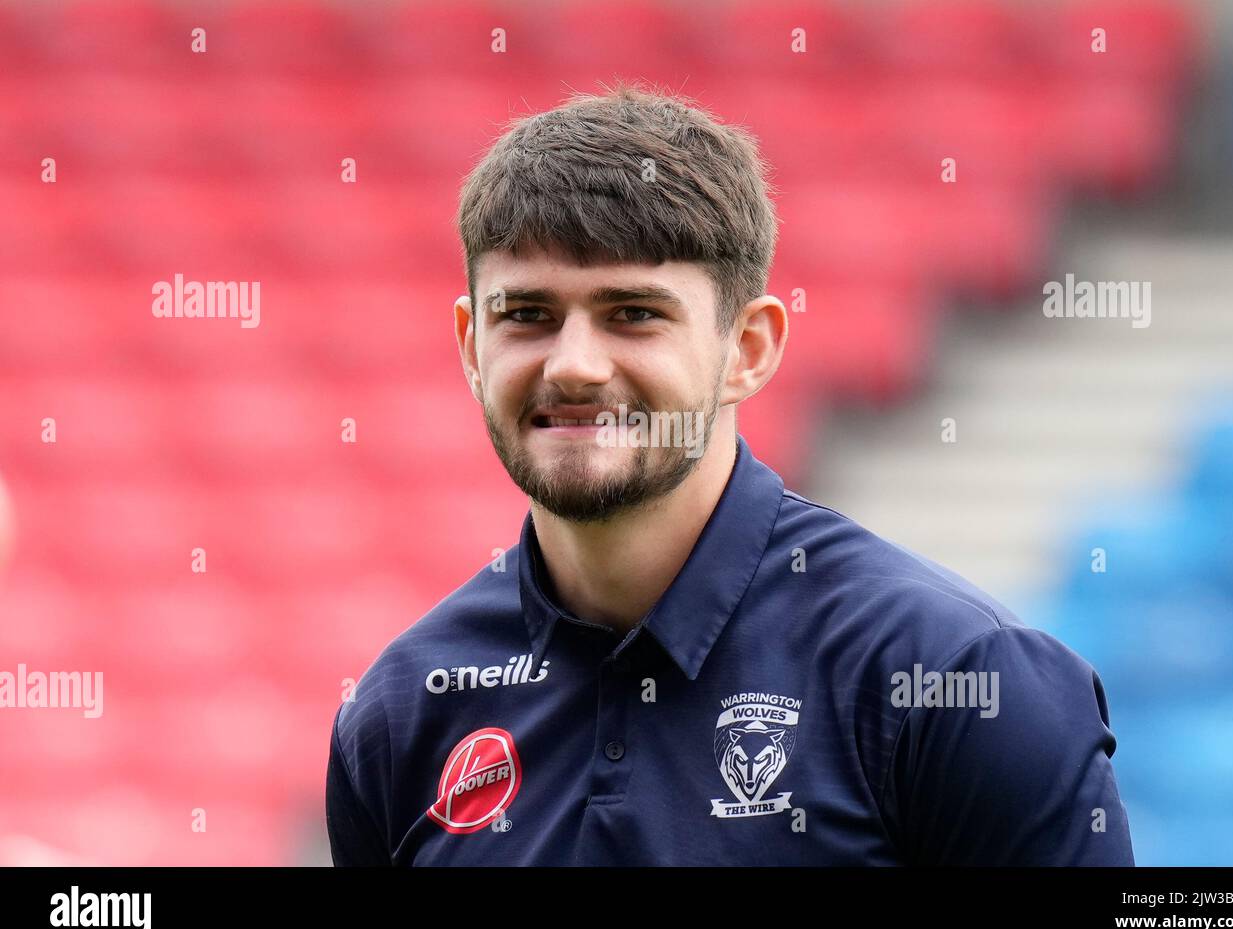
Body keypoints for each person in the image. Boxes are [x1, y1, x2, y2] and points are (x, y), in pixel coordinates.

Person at [326, 81, 1134, 866]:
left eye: (633, 314)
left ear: (748, 349)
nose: (572, 366)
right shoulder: (402, 713)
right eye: (527, 315)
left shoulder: (955, 679)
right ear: (472, 344)